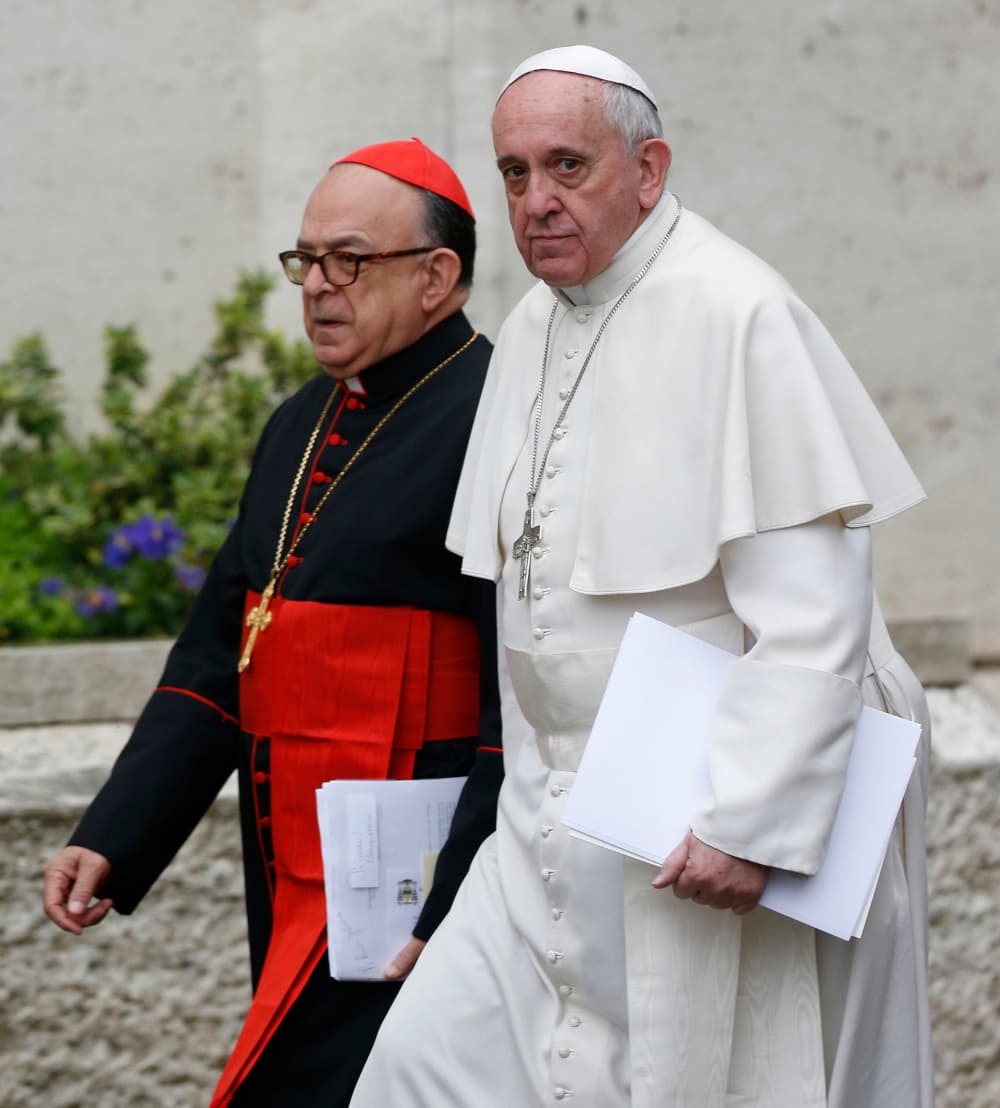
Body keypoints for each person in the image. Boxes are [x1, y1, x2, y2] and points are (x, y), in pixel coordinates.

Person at [349, 46, 933, 1108]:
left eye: (568, 165)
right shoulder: (530, 326)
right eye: (515, 174)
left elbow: (814, 614)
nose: (537, 201)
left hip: (695, 813)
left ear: (648, 168)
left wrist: (745, 822)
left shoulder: (735, 311)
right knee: (419, 1069)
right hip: (546, 823)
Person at [42, 138, 503, 1108]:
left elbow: (515, 704)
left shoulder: (497, 418)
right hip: (288, 866)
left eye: (350, 260)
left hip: (409, 890)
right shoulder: (298, 422)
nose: (318, 287)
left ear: (437, 276)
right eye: (306, 260)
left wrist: (461, 888)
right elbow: (220, 651)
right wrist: (117, 832)